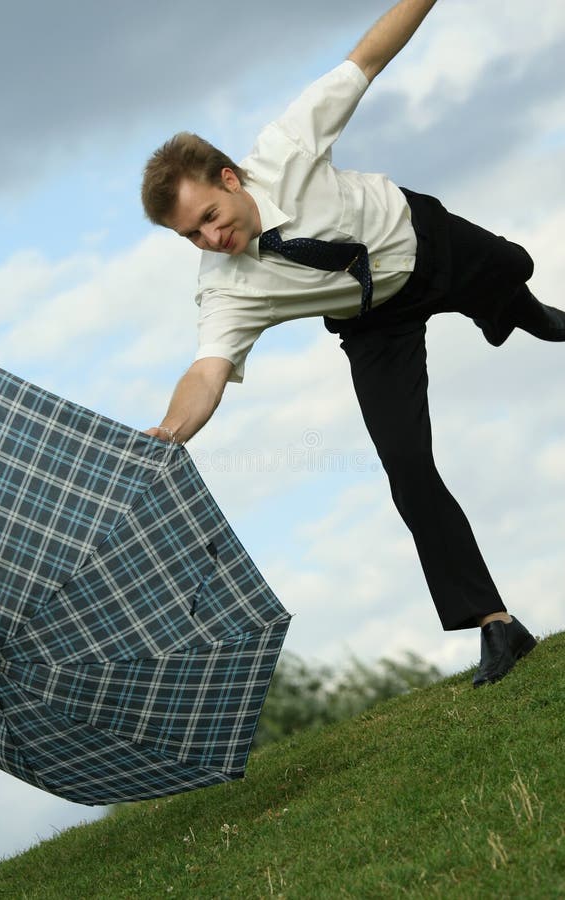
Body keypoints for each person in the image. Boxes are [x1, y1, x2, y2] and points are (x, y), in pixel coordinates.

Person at [140, 0, 562, 686]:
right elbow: (207, 370)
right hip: (372, 324)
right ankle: (495, 625)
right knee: (404, 465)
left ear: (229, 179)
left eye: (210, 219)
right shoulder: (224, 286)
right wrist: (171, 429)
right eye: (191, 235)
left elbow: (368, 56)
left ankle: (523, 315)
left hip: (427, 245)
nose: (211, 239)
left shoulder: (285, 145)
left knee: (517, 272)